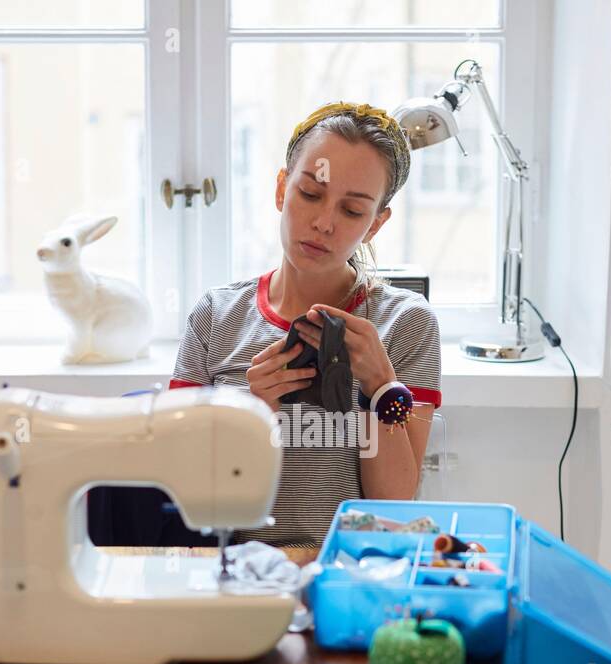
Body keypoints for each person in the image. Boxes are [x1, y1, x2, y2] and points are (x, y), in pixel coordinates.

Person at [170, 101, 443, 549]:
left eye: (352, 212)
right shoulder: (216, 316)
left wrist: (381, 387)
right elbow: (188, 492)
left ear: (376, 224)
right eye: (310, 195)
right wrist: (255, 414)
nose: (323, 223)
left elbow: (392, 503)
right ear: (282, 189)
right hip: (239, 578)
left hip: (347, 576)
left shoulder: (405, 324)